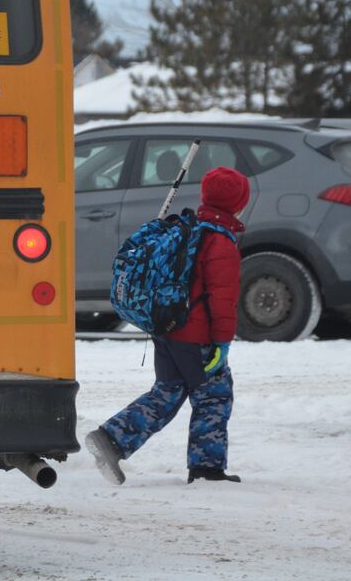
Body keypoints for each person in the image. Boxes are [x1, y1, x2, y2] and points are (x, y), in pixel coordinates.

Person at [85, 166, 249, 485]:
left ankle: (111, 440)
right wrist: (222, 343)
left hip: (168, 328)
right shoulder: (221, 244)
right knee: (214, 396)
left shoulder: (189, 231)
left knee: (169, 391)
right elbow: (221, 301)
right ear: (237, 204)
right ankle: (206, 467)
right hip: (196, 336)